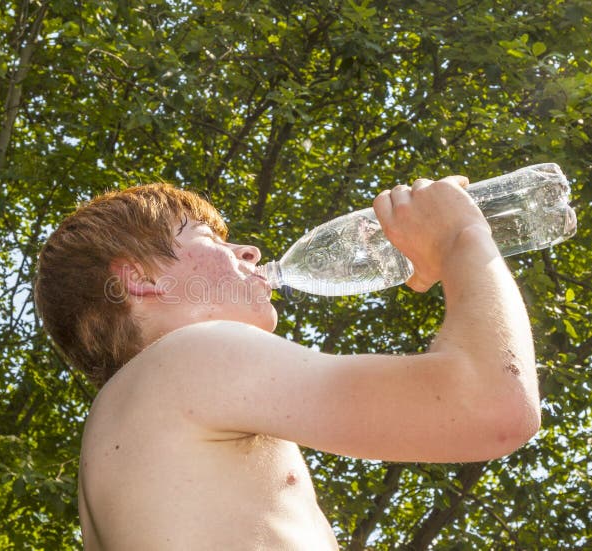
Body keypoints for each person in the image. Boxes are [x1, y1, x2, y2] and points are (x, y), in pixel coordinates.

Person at [34, 176, 541, 550]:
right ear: (141, 279)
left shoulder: (118, 437)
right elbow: (492, 405)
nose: (250, 251)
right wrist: (462, 239)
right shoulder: (195, 354)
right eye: (210, 241)